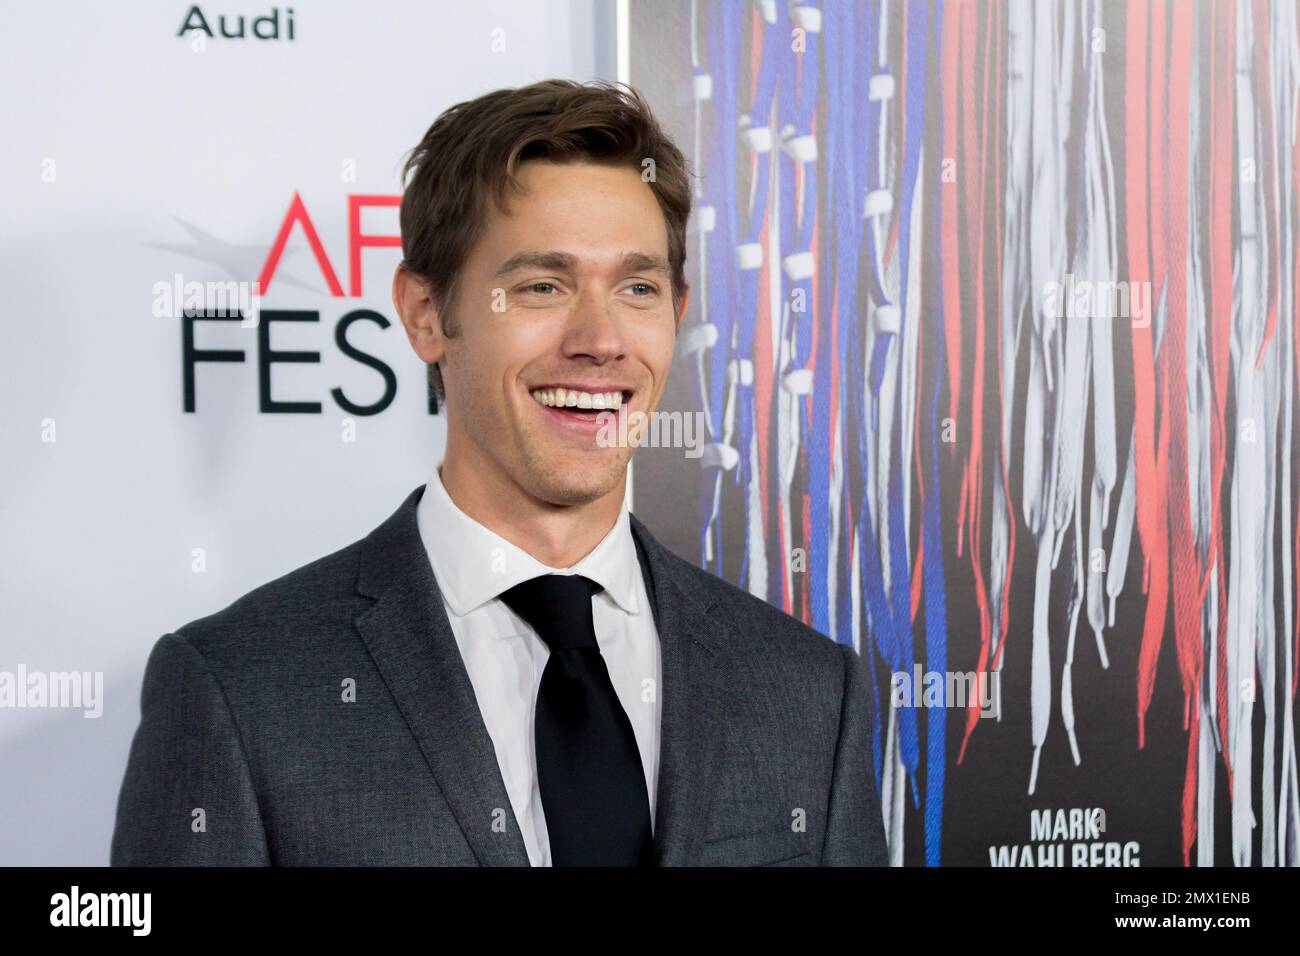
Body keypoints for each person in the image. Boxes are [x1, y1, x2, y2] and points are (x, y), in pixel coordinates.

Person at [110, 79, 888, 867]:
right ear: (424, 314)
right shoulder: (240, 693)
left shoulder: (808, 693)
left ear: (676, 311)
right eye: (541, 286)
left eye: (637, 287)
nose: (600, 339)